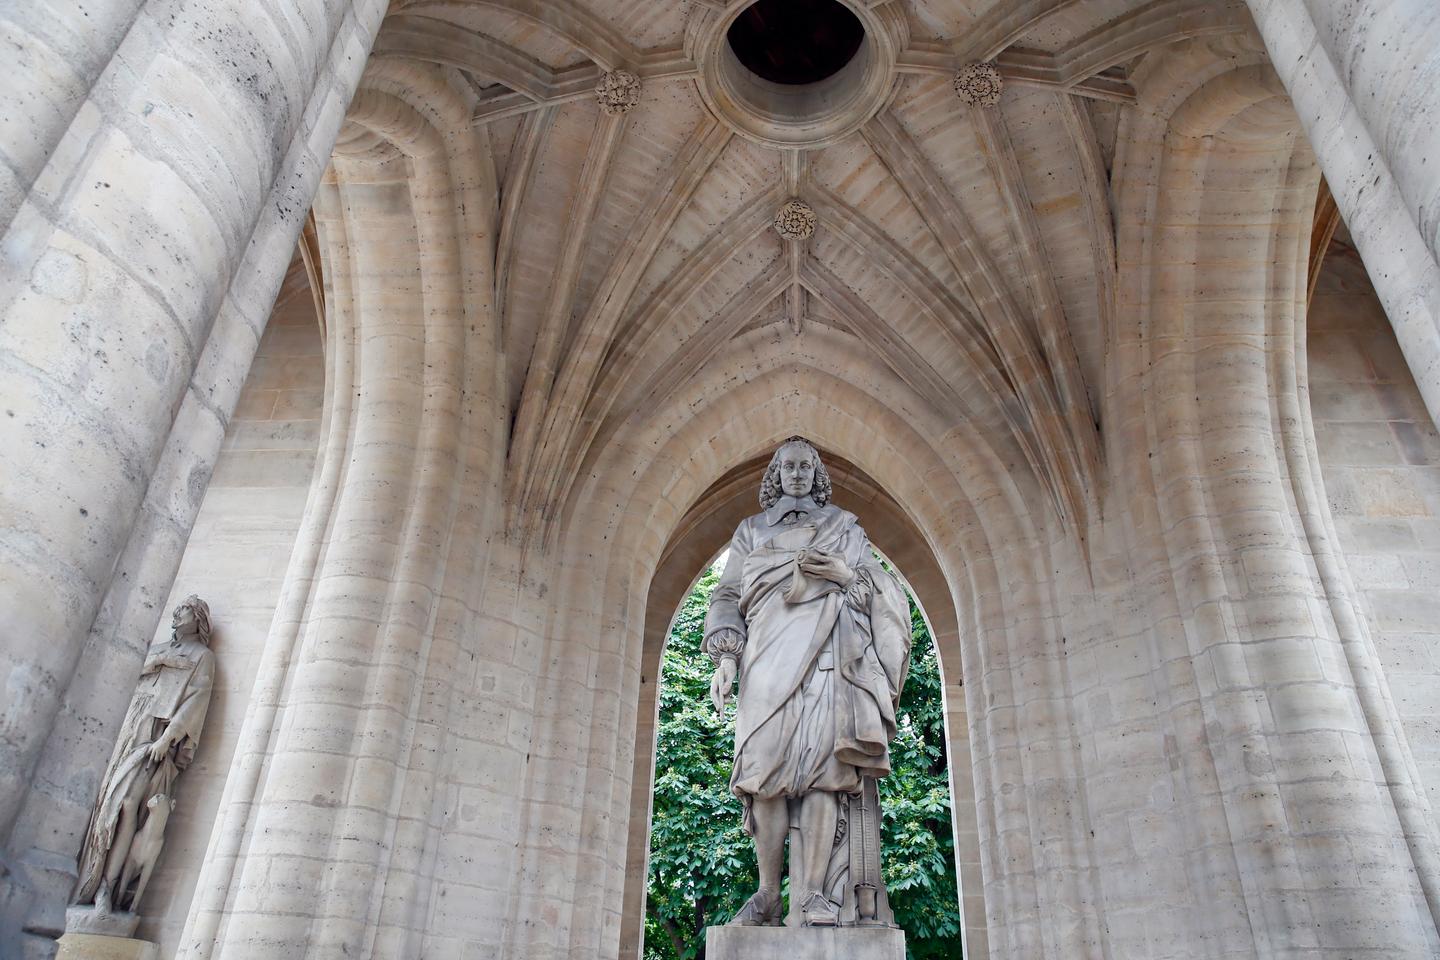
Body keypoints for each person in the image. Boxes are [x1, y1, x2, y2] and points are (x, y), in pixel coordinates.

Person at [705, 438, 910, 926]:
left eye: (805, 466)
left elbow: (871, 591)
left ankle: (815, 893)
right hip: (763, 663)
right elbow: (728, 594)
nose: (796, 473)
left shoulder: (844, 528)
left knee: (822, 775)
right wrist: (727, 659)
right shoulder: (751, 531)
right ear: (776, 474)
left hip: (826, 660)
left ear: (816, 474)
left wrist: (842, 573)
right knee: (764, 779)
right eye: (788, 466)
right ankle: (767, 895)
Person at [73, 595, 215, 914]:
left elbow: (196, 700)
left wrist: (168, 738)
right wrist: (160, 662)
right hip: (131, 729)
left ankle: (109, 888)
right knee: (108, 805)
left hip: (155, 736)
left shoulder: (202, 656)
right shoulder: (159, 649)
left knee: (128, 805)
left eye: (185, 612)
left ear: (199, 619)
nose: (176, 615)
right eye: (176, 611)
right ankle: (93, 879)